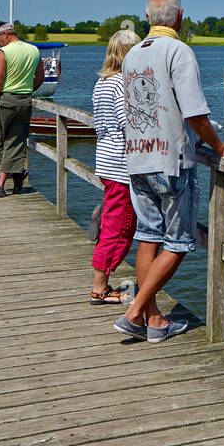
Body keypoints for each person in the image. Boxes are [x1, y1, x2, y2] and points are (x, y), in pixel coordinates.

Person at [115, 0, 224, 343]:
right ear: (180, 17)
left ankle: (153, 321)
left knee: (148, 237)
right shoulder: (180, 51)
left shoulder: (132, 55)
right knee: (179, 242)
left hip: (137, 158)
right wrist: (219, 145)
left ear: (148, 17)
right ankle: (136, 310)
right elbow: (194, 112)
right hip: (171, 162)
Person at [90, 28, 142, 304]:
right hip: (121, 165)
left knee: (114, 222)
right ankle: (100, 288)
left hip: (106, 160)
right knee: (119, 227)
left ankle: (102, 283)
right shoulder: (123, 83)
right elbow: (128, 124)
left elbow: (101, 125)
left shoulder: (102, 82)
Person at [0, 22, 43, 196]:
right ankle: (17, 174)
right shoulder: (34, 50)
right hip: (25, 101)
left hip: (6, 100)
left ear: (5, 35)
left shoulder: (3, 52)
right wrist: (28, 89)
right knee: (16, 140)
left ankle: (0, 184)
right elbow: (40, 78)